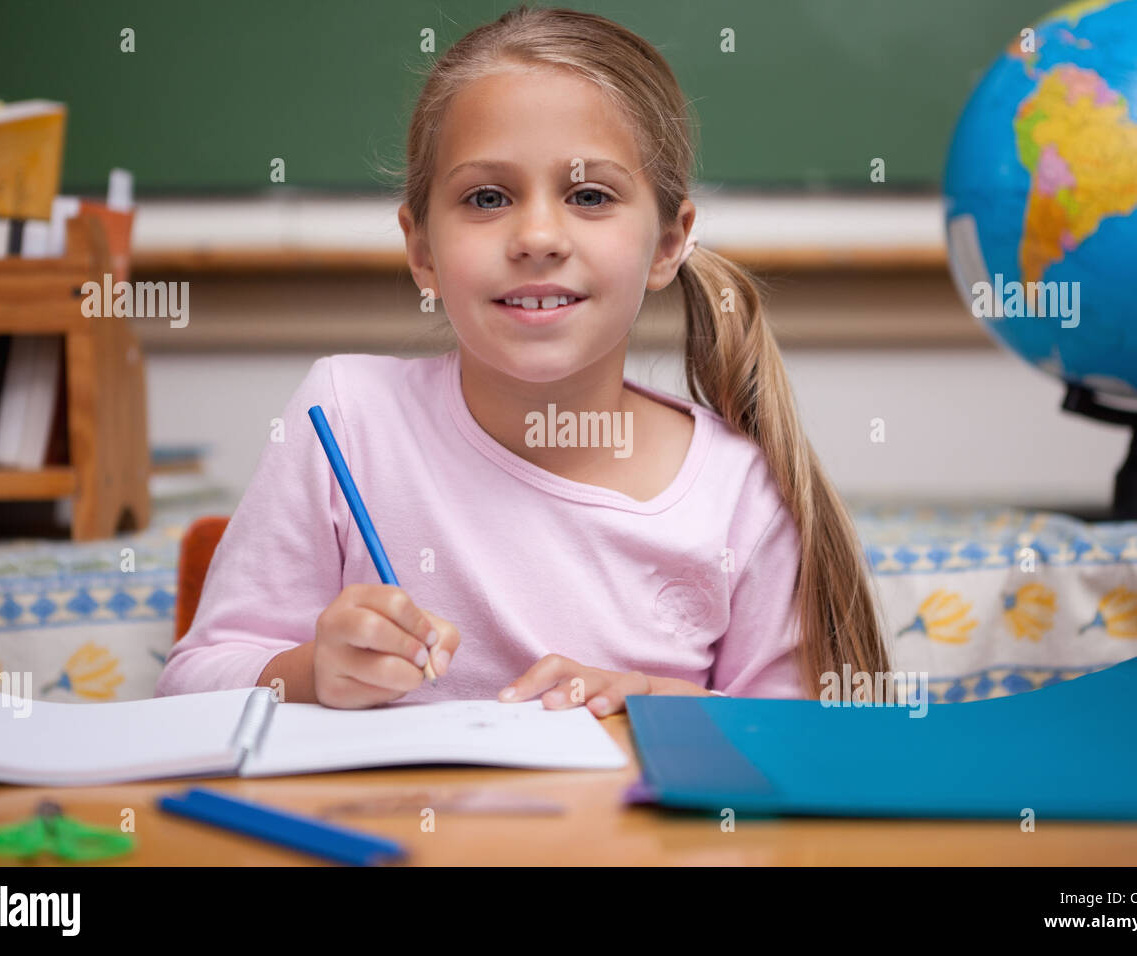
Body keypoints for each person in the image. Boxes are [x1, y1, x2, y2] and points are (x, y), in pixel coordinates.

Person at [156, 4, 888, 715]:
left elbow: (803, 748)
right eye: (486, 197)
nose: (537, 235)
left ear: (668, 242)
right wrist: (311, 674)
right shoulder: (346, 415)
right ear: (421, 250)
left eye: (590, 194)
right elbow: (188, 685)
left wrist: (660, 703)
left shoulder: (738, 494)